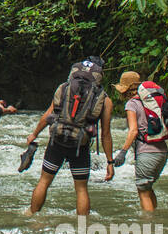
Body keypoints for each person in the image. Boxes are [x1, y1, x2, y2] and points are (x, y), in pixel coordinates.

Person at [22, 56, 115, 216]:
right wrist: (110, 161)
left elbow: (48, 114)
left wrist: (34, 134)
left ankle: (32, 216)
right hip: (80, 145)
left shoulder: (65, 88)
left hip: (57, 140)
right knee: (81, 188)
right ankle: (83, 226)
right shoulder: (105, 100)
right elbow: (105, 134)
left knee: (44, 181)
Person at [111, 71, 168, 213]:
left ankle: (149, 225)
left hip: (147, 153)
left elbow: (133, 131)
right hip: (162, 152)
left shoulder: (132, 104)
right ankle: (156, 218)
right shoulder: (151, 100)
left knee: (143, 192)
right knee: (148, 188)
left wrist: (123, 152)